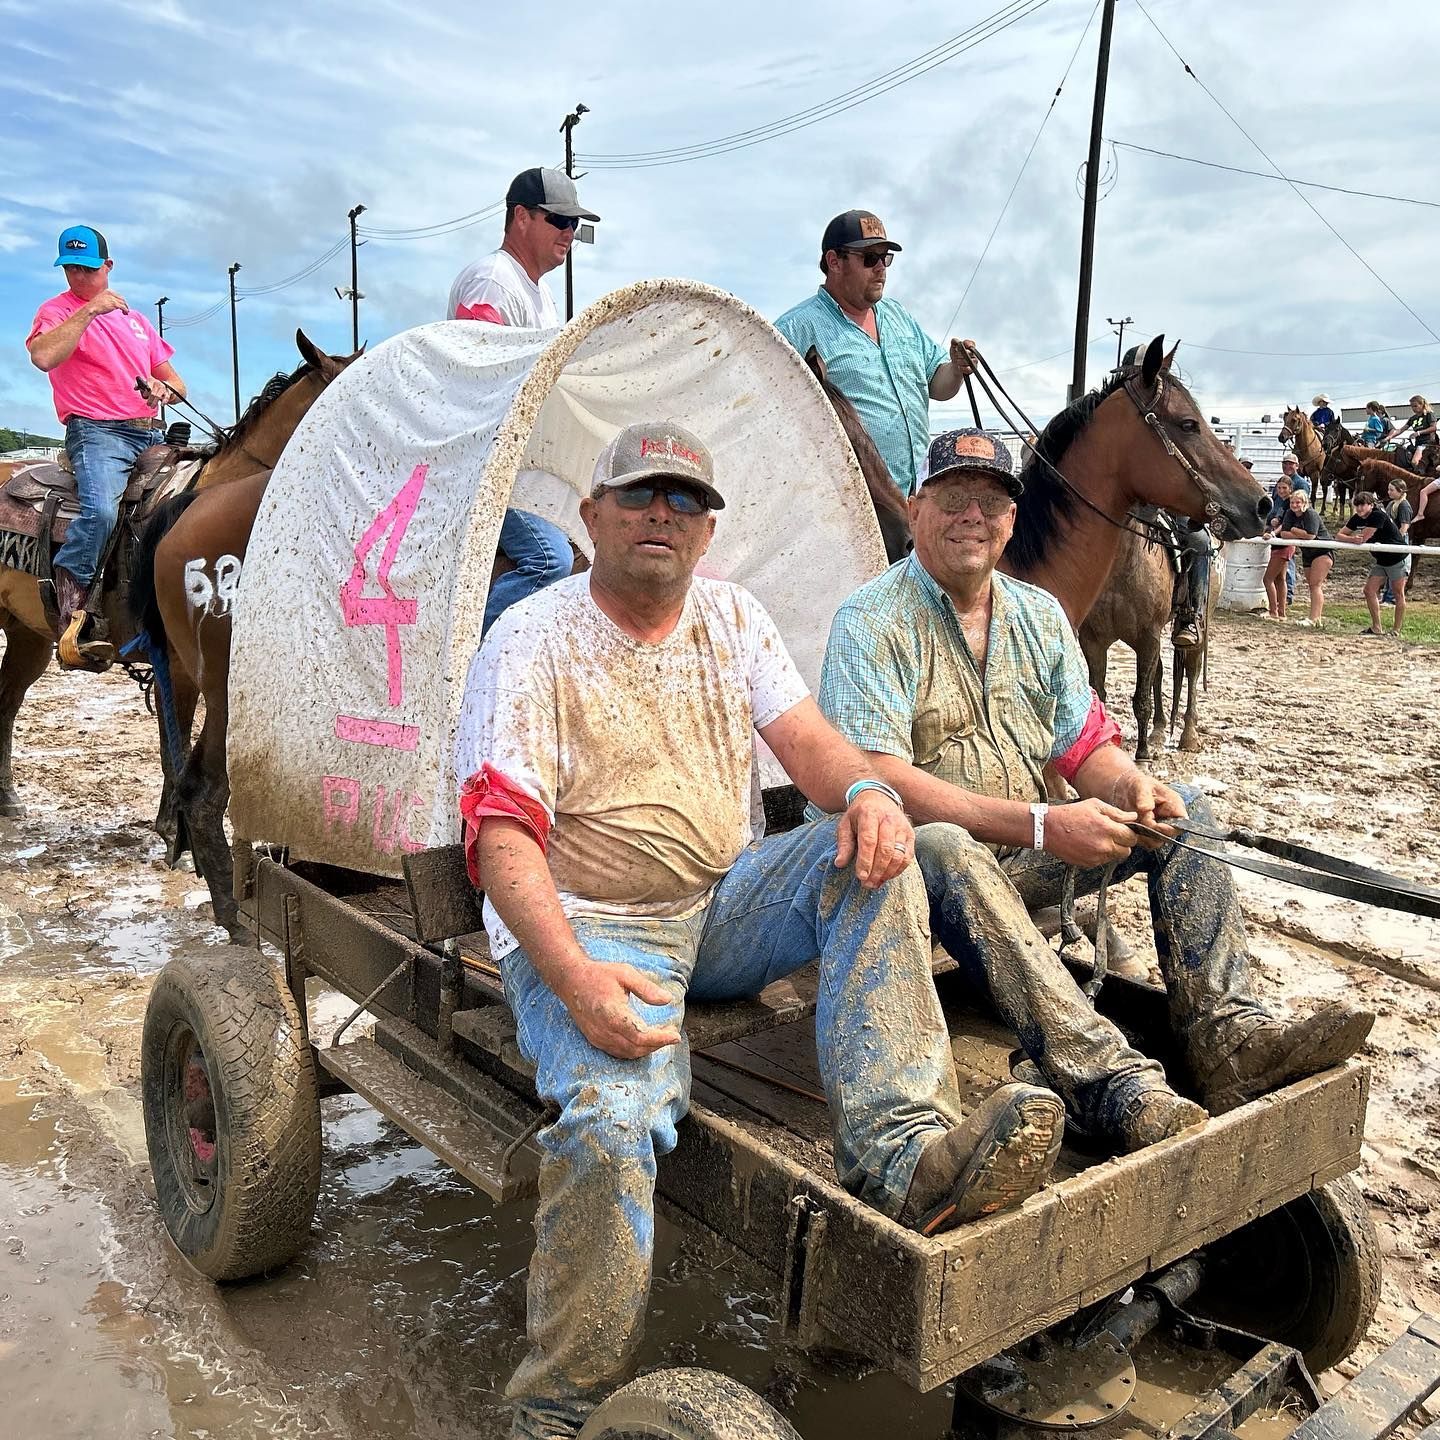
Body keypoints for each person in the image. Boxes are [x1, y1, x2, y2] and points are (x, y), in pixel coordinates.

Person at [457, 420, 1067, 1438]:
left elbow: (813, 744)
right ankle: (556, 1407)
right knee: (611, 1129)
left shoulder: (731, 619)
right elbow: (502, 846)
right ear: (592, 516)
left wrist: (871, 795)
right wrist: (574, 980)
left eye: (686, 500)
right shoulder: (531, 640)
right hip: (592, 927)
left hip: (720, 898)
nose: (664, 513)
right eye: (642, 495)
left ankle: (902, 1152)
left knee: (889, 848)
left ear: (707, 532)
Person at [813, 428, 1372, 1150]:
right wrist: (1047, 826)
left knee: (1187, 807)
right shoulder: (872, 619)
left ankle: (1230, 1036)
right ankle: (1109, 1082)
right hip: (916, 885)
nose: (972, 518)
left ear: (1013, 520)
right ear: (918, 509)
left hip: (1018, 863)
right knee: (947, 846)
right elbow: (877, 776)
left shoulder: (1039, 617)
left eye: (990, 503)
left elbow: (1084, 746)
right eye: (953, 500)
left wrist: (1133, 784)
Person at [446, 167, 601, 634]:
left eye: (574, 224)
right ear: (521, 217)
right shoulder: (493, 283)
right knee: (549, 558)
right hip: (485, 462)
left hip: (518, 460)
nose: (570, 232)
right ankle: (475, 660)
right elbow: (478, 381)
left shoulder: (540, 292)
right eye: (558, 220)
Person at [25, 225, 186, 666]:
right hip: (96, 432)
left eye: (88, 268)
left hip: (149, 431)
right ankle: (72, 613)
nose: (78, 276)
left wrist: (164, 389)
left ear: (108, 266)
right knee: (100, 511)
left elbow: (177, 381)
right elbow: (43, 357)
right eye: (71, 268)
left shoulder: (136, 322)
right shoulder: (56, 310)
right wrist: (90, 310)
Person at [774, 210, 978, 497]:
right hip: (850, 505)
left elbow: (937, 385)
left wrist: (956, 368)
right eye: (870, 258)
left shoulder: (899, 317)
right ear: (834, 261)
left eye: (886, 258)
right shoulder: (794, 330)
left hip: (917, 496)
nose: (881, 268)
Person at [1336, 490, 1408, 637]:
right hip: (1381, 560)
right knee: (1369, 590)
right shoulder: (1357, 518)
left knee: (1398, 594)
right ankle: (1376, 627)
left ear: (1371, 505)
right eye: (1357, 506)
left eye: (1363, 505)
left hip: (1396, 557)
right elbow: (1339, 535)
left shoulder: (1378, 515)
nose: (1359, 509)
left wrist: (1353, 538)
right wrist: (1352, 539)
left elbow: (1364, 538)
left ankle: (1396, 630)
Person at [1276, 487, 1333, 628]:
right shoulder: (1290, 514)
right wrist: (1299, 533)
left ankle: (1314, 618)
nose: (1294, 505)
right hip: (1307, 552)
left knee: (1315, 584)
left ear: (1304, 503)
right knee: (1312, 585)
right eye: (1292, 502)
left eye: (1298, 502)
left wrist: (1294, 530)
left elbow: (1311, 535)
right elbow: (1284, 533)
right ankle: (1315, 616)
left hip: (1322, 550)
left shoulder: (1311, 514)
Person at [1385, 395, 1437, 479]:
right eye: (1412, 406)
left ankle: (1421, 479)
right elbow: (1401, 430)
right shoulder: (1412, 418)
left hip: (1427, 443)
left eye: (1415, 406)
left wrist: (1419, 433)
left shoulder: (1429, 415)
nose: (1413, 408)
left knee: (1415, 461)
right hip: (1417, 444)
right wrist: (1388, 437)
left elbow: (1433, 427)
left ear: (1422, 405)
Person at [1379, 477, 1411, 606]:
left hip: (1398, 540)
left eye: (1392, 490)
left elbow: (1404, 526)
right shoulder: (1393, 504)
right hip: (1391, 539)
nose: (1389, 492)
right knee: (1388, 567)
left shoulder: (1403, 505)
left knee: (1397, 569)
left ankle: (1392, 597)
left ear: (1400, 491)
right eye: (1388, 489)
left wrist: (1396, 540)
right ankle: (1387, 595)